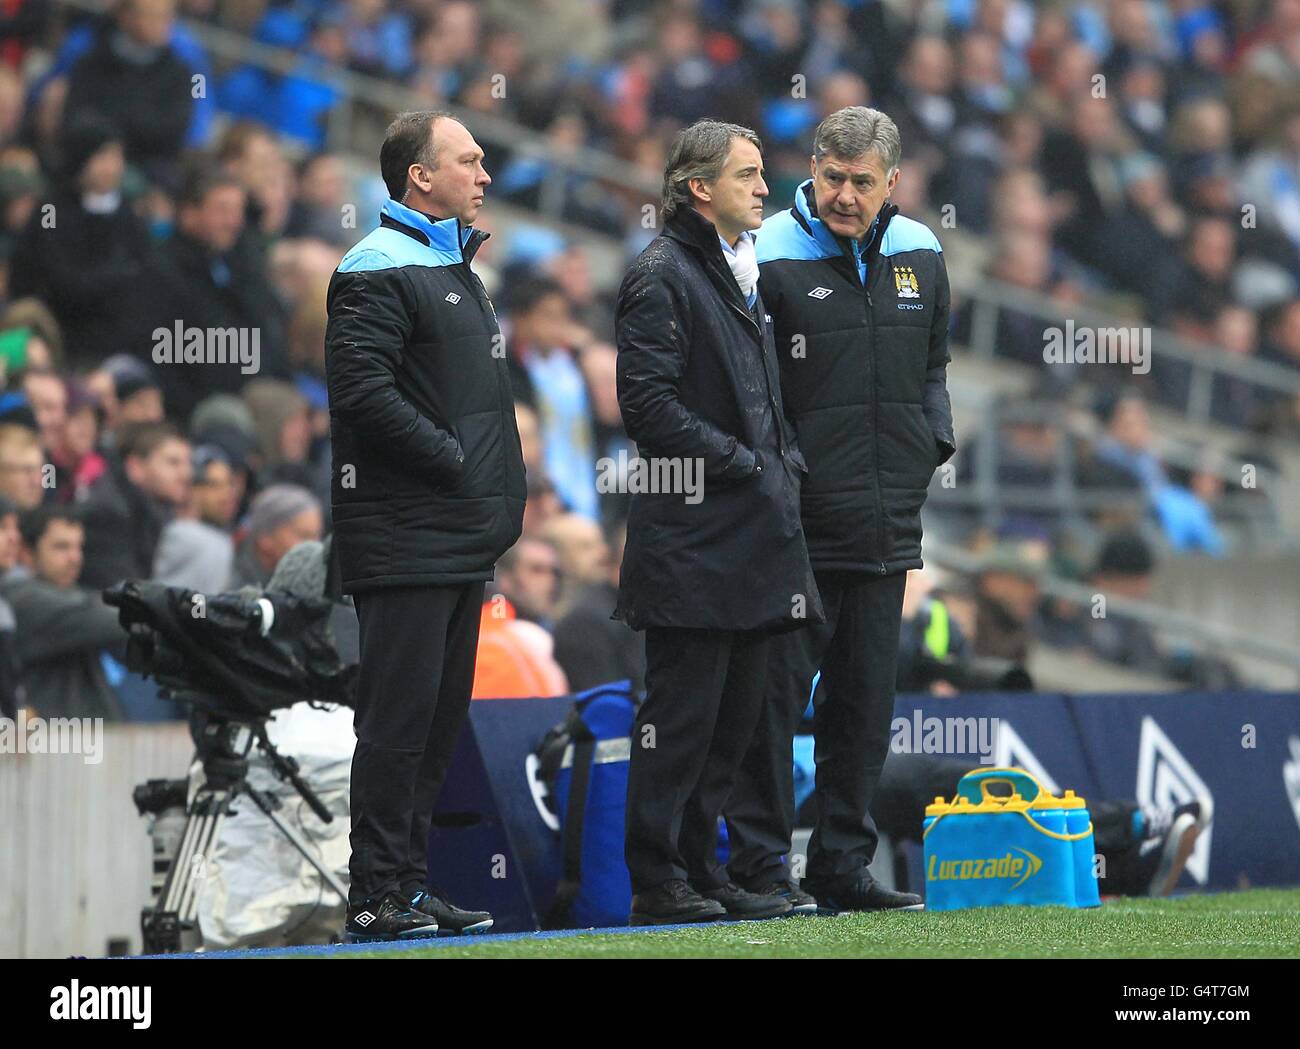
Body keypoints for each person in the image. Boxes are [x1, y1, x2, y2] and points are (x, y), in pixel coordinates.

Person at [725, 106, 955, 913]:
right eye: (833, 177)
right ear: (812, 170)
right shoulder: (767, 255)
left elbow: (935, 366)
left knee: (863, 705)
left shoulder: (922, 251)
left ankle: (841, 866)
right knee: (773, 700)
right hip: (795, 526)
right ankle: (757, 867)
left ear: (893, 181)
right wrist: (779, 481)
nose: (845, 195)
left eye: (862, 182)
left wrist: (935, 441)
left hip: (888, 521)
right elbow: (746, 388)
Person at [615, 119, 822, 925]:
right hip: (695, 546)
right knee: (681, 722)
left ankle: (702, 869)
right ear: (699, 188)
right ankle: (657, 880)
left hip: (749, 542)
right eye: (747, 175)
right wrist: (746, 463)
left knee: (732, 725)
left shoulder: (738, 270)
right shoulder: (662, 274)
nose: (765, 189)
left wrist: (781, 466)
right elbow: (649, 408)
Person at [325, 110, 525, 943]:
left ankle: (408, 885)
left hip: (454, 539)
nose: (485, 176)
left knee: (435, 728)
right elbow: (362, 394)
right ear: (420, 176)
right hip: (406, 536)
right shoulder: (375, 266)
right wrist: (452, 461)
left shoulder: (451, 265)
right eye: (469, 161)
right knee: (398, 726)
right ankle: (374, 893)